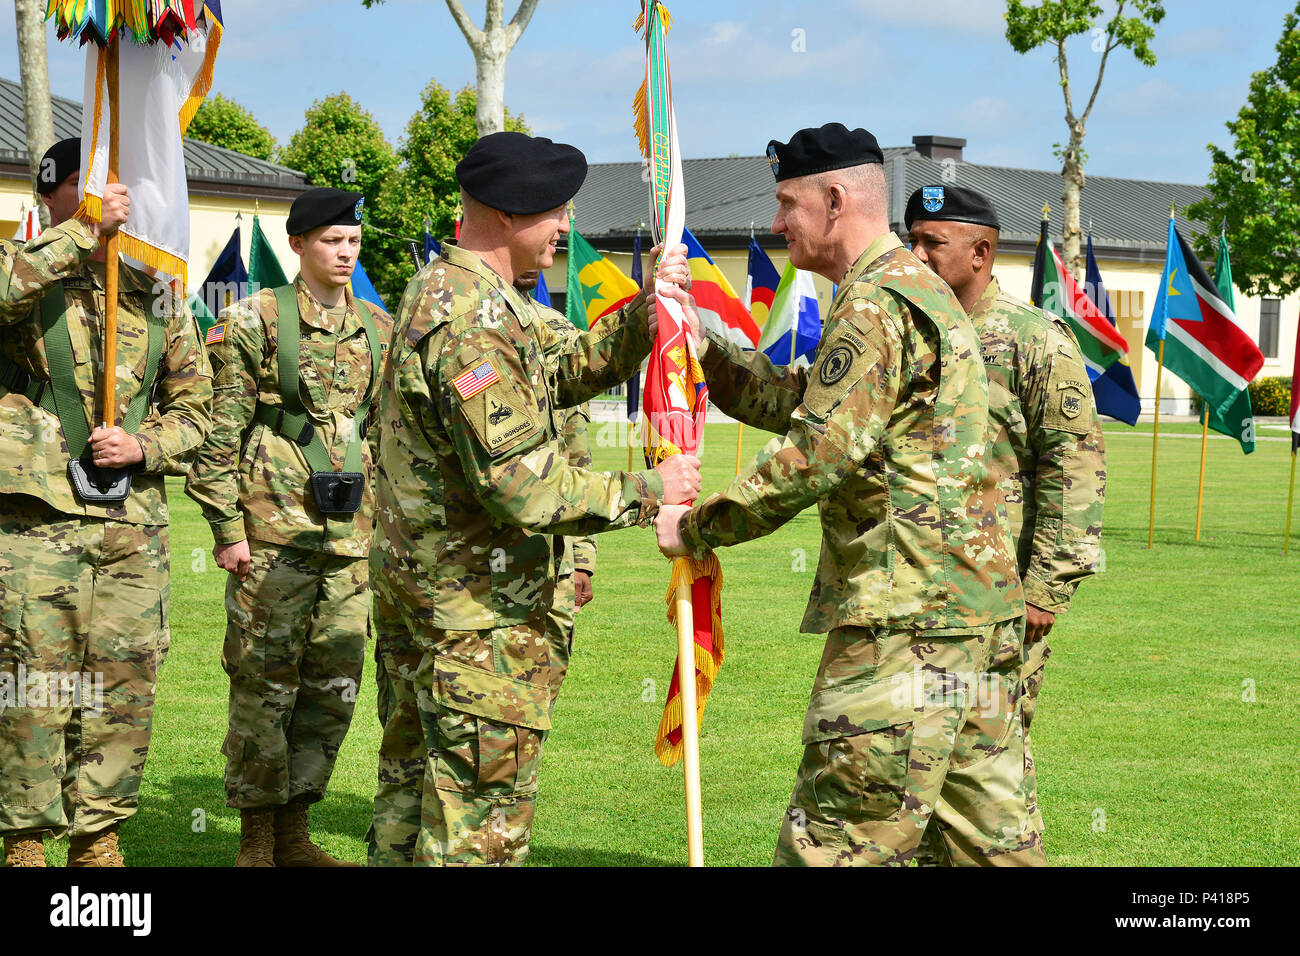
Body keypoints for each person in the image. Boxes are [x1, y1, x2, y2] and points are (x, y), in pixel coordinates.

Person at [654, 123, 1043, 866]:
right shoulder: (912, 290)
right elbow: (812, 402)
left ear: (834, 200)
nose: (775, 224)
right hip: (973, 621)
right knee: (991, 850)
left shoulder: (874, 304)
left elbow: (815, 453)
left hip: (905, 631)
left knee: (836, 844)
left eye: (786, 204)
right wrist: (701, 346)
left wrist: (698, 523)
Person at [367, 131, 700, 867]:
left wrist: (648, 313)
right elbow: (521, 487)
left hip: (433, 606)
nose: (564, 231)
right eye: (557, 214)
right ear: (513, 212)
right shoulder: (470, 323)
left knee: (409, 806)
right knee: (476, 836)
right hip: (477, 620)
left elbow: (558, 367)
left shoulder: (459, 295)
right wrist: (651, 490)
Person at [0, 137, 213, 867]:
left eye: (119, 191)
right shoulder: (24, 275)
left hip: (131, 522)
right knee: (34, 678)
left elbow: (198, 409)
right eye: (93, 190)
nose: (116, 203)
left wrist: (146, 446)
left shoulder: (158, 292)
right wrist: (81, 235)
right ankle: (26, 838)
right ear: (53, 195)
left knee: (125, 680)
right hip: (38, 521)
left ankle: (99, 835)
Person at [186, 187, 393, 867]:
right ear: (298, 243)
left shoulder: (377, 327)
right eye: (333, 241)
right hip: (272, 535)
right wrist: (227, 531)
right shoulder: (254, 321)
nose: (345, 253)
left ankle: (295, 832)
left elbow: (391, 434)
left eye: (354, 242)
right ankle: (255, 839)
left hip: (351, 539)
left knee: (331, 692)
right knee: (262, 688)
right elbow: (220, 437)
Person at [904, 184, 1105, 854]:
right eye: (912, 239)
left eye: (932, 242)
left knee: (987, 760)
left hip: (1001, 596)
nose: (916, 253)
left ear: (982, 252)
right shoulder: (911, 335)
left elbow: (1073, 464)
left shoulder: (1031, 339)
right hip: (917, 594)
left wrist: (1048, 586)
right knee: (915, 757)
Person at [516, 273, 597, 706]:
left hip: (552, 558)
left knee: (542, 690)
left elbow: (577, 457)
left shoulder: (560, 335)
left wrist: (582, 559)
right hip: (471, 557)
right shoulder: (462, 321)